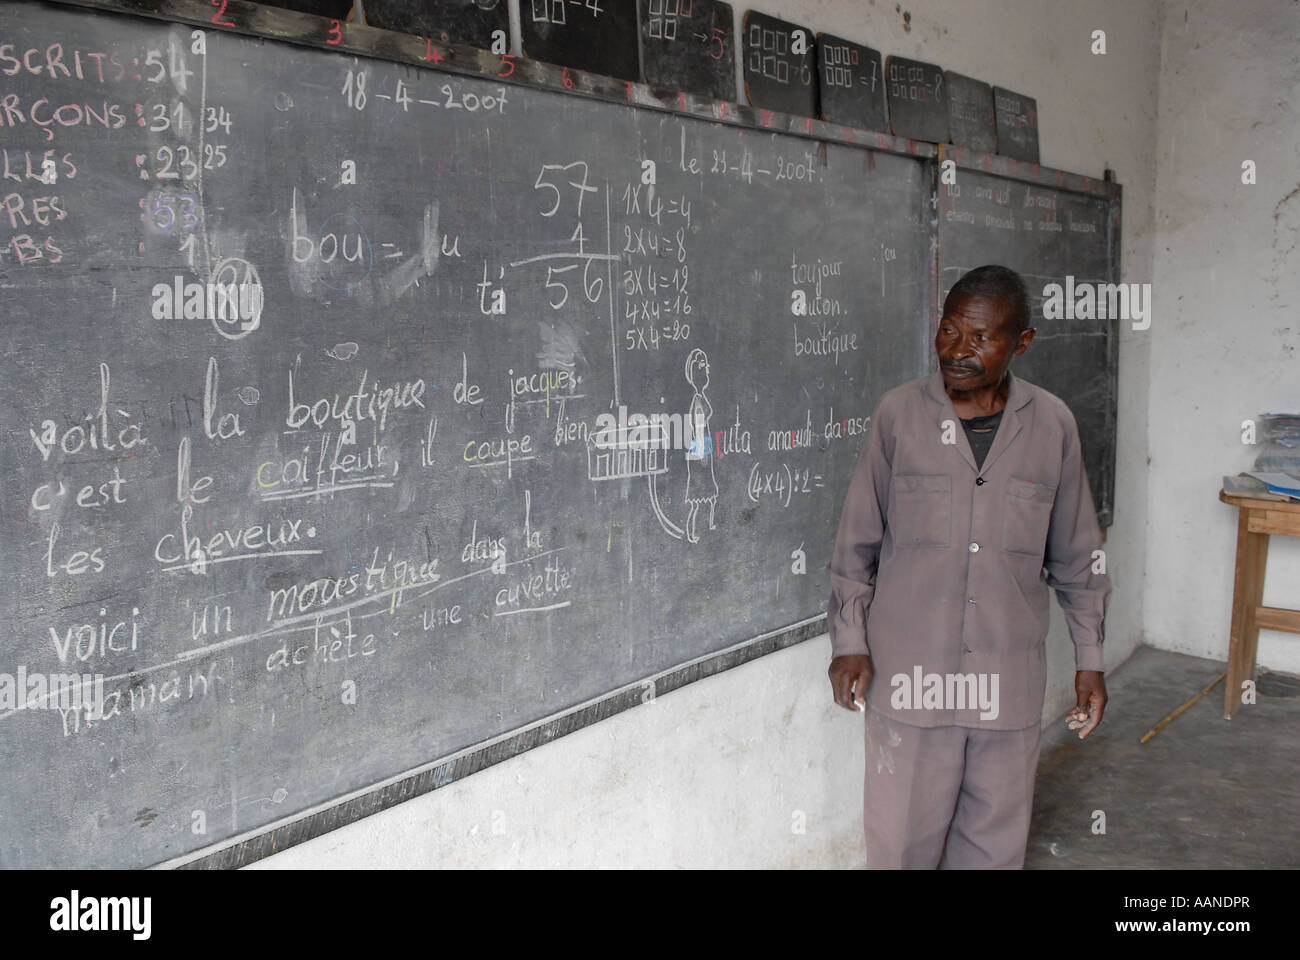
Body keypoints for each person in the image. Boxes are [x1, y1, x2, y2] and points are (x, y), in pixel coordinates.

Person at [826, 264, 1111, 869]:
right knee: (900, 843)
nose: (959, 351)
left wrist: (1089, 658)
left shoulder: (1053, 424)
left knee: (994, 846)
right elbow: (856, 543)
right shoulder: (898, 415)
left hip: (1006, 680)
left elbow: (1077, 559)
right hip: (910, 676)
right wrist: (848, 640)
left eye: (982, 338)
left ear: (1022, 343)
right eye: (950, 331)